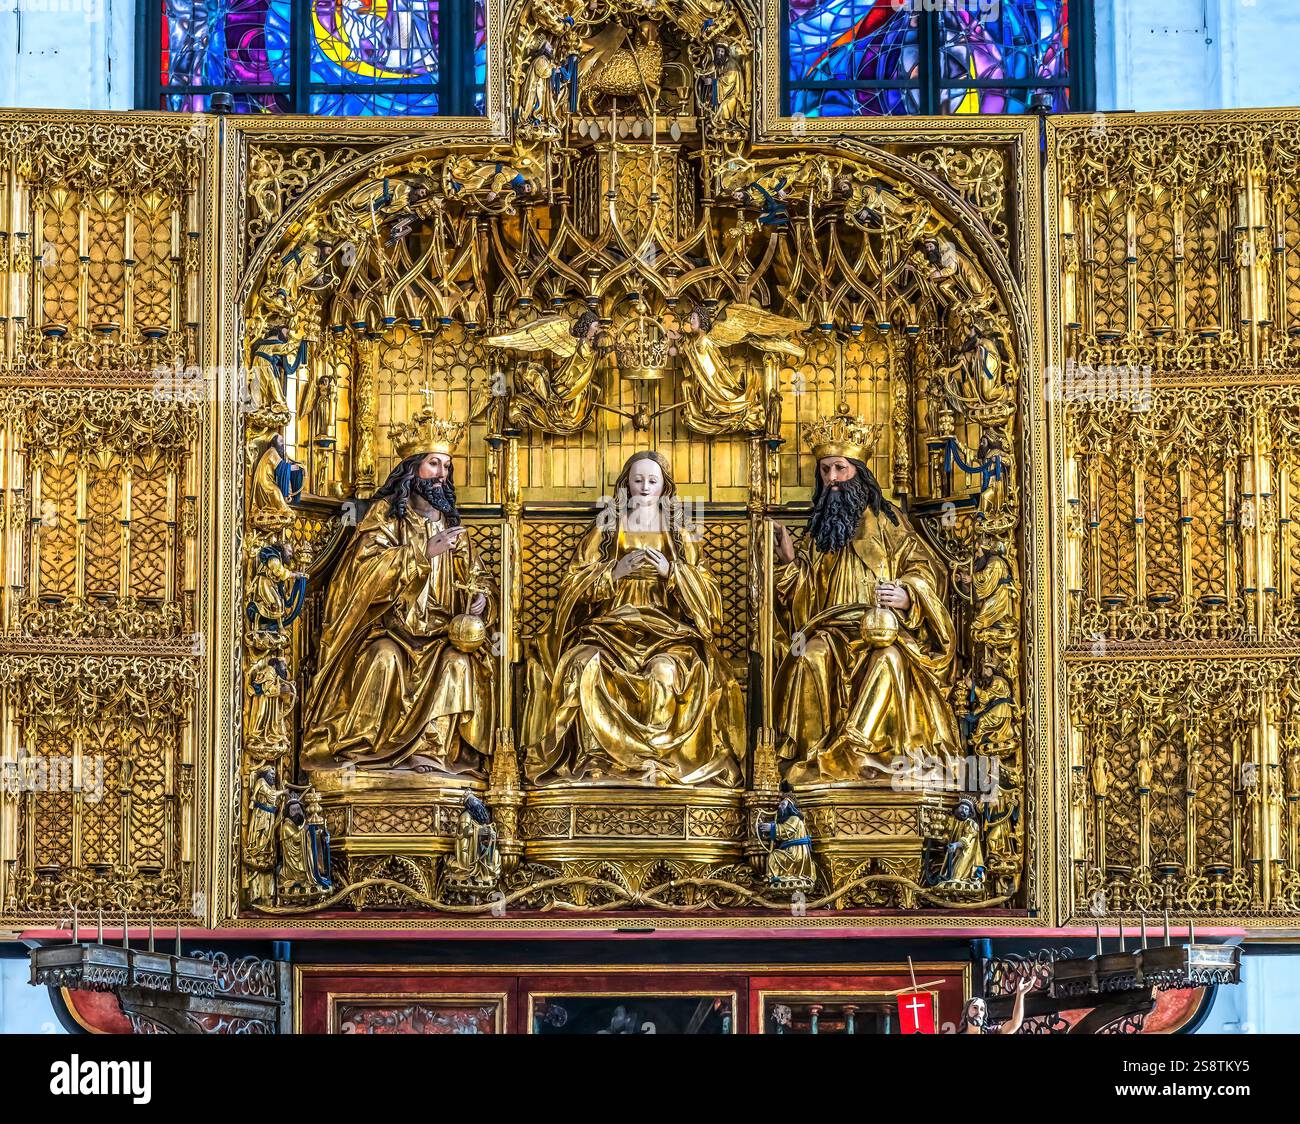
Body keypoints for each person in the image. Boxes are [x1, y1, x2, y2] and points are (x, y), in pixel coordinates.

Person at [522, 451, 743, 786]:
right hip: (611, 628)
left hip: (666, 633)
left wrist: (671, 572)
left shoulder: (680, 533)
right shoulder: (607, 528)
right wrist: (615, 571)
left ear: (664, 487)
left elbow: (708, 594)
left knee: (665, 673)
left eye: (652, 481)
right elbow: (573, 583)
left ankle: (653, 762)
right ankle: (596, 759)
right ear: (626, 484)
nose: (644, 487)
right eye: (637, 480)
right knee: (583, 664)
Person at [300, 416, 497, 779]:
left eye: (447, 466)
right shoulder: (387, 518)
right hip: (390, 632)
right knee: (383, 660)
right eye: (433, 463)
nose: (441, 473)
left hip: (441, 637)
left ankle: (431, 753)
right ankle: (367, 748)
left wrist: (481, 600)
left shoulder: (453, 529)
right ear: (413, 468)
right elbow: (362, 576)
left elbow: (478, 577)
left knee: (460, 665)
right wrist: (423, 551)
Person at [772, 411, 963, 783]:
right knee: (809, 657)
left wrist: (907, 594)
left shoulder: (889, 521)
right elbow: (803, 601)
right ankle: (813, 761)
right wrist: (791, 561)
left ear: (858, 470)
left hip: (882, 632)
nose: (831, 479)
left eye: (839, 469)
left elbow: (926, 570)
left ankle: (854, 748)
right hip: (832, 630)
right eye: (825, 471)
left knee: (888, 660)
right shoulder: (819, 530)